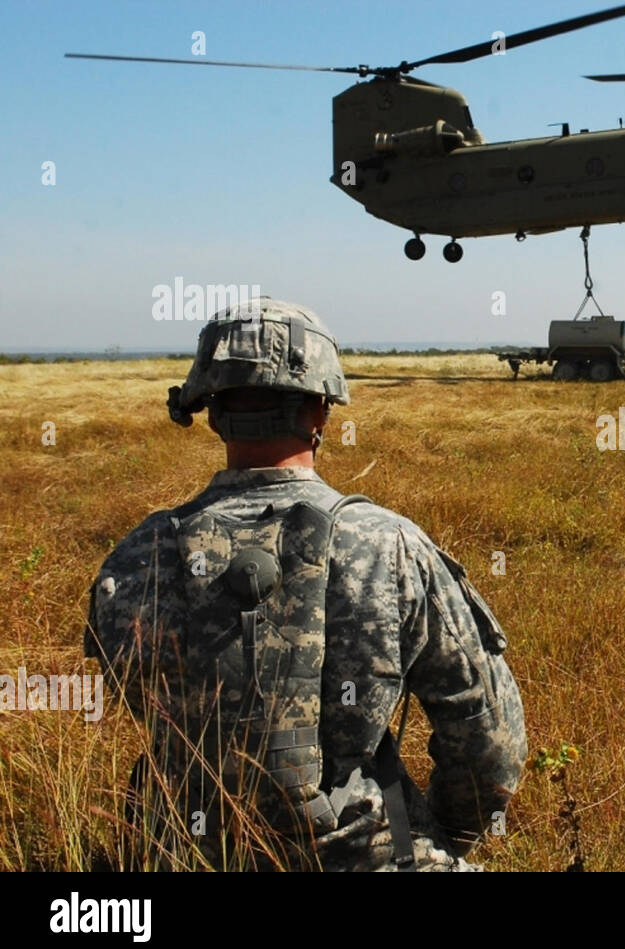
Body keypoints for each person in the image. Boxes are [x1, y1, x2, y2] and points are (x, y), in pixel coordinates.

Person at [84, 297, 527, 871]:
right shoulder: (388, 546)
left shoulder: (135, 557)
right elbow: (488, 743)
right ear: (321, 410)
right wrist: (446, 840)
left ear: (212, 414)